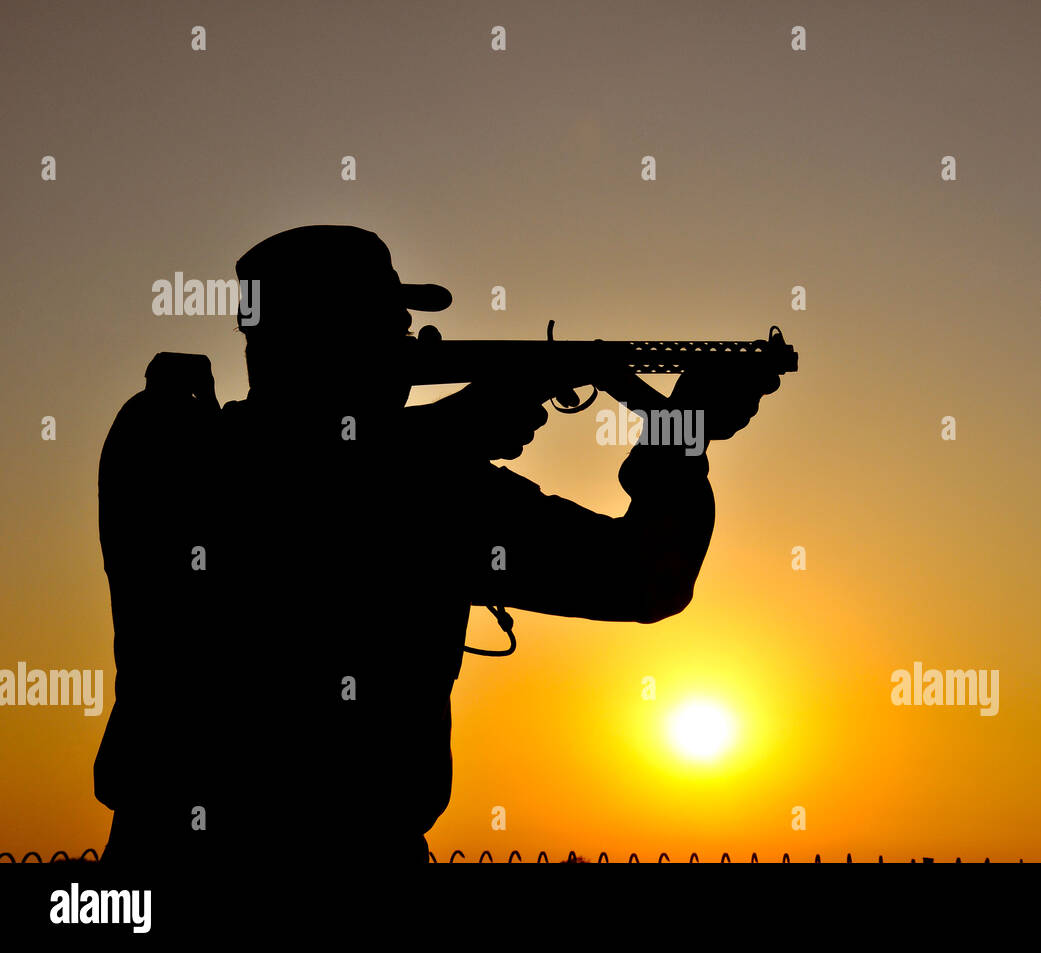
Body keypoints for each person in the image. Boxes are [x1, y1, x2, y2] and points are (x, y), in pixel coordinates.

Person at [94, 225, 780, 866]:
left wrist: (676, 441)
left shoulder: (438, 483)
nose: (416, 344)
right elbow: (283, 494)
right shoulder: (172, 441)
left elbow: (642, 577)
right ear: (330, 338)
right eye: (390, 326)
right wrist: (458, 428)